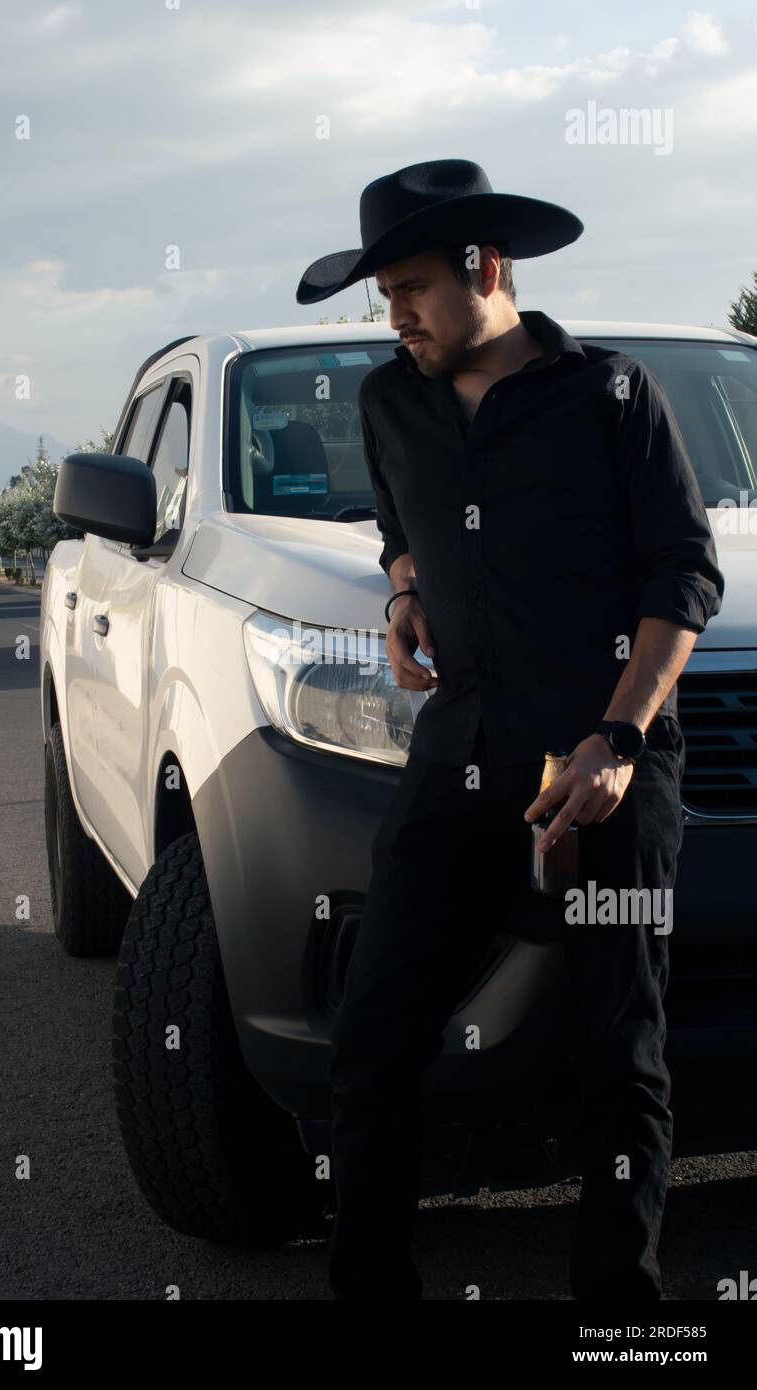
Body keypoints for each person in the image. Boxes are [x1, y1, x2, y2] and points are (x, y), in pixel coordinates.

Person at [295, 159, 725, 1300]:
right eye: (381, 293)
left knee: (615, 1052)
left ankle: (619, 1315)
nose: (393, 316)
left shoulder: (610, 395)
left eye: (410, 288)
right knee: (375, 1032)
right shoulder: (390, 397)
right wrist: (400, 590)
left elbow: (682, 575)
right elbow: (398, 515)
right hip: (460, 752)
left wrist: (617, 741)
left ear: (485, 269)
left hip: (604, 767)